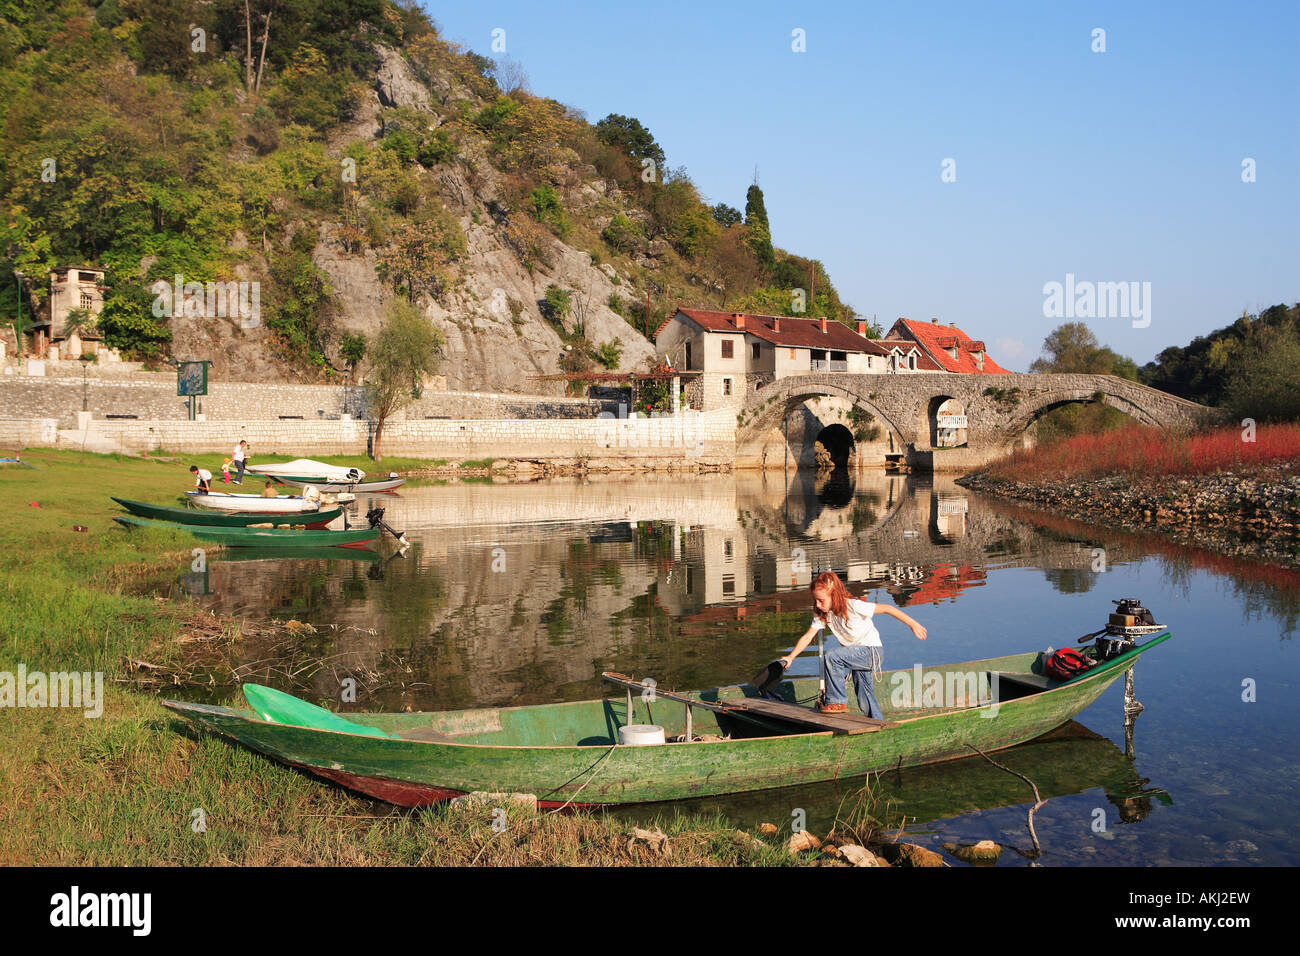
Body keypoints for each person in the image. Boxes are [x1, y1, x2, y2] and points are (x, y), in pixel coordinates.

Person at [780, 571, 927, 717]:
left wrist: (913, 624)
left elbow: (888, 608)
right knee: (864, 698)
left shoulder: (854, 606)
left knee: (832, 657)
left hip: (872, 652)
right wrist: (791, 657)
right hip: (855, 656)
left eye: (821, 600)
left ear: (834, 595)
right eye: (816, 600)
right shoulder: (824, 615)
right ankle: (877, 722)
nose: (818, 605)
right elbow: (807, 637)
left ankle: (836, 702)